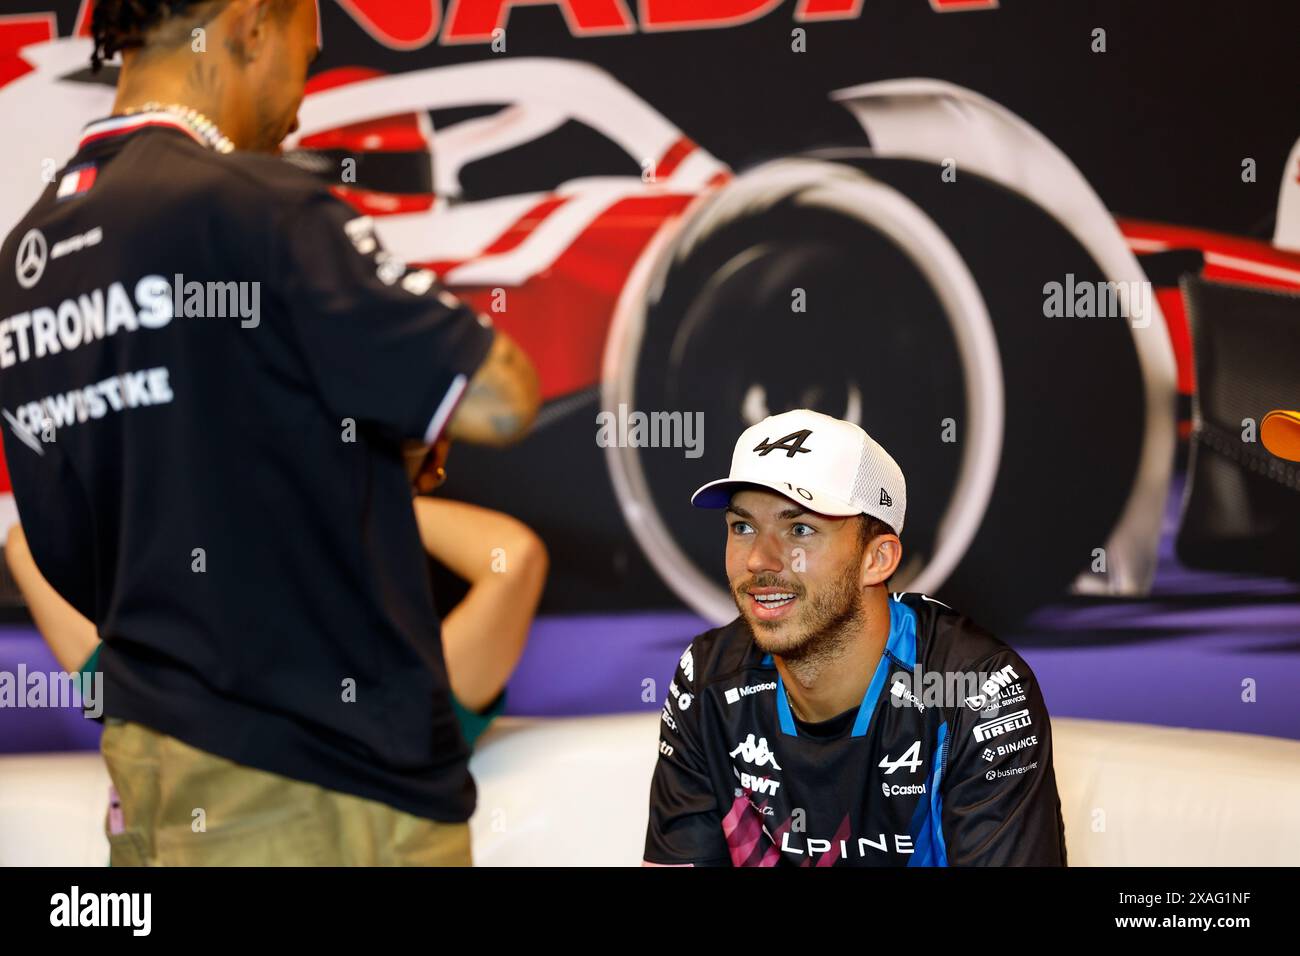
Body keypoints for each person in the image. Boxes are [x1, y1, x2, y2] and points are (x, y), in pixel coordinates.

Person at [0, 0, 540, 865]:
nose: (300, 100)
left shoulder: (24, 263)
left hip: (149, 787)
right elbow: (504, 396)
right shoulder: (260, 208)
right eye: (306, 55)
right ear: (251, 24)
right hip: (325, 793)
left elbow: (75, 552)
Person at [643, 409, 1067, 866]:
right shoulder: (706, 678)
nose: (759, 560)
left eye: (800, 529)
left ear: (877, 559)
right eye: (742, 527)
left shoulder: (978, 690)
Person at [5, 487, 547, 749]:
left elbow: (514, 560)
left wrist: (339, 494)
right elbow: (24, 543)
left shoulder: (400, 698)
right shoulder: (157, 683)